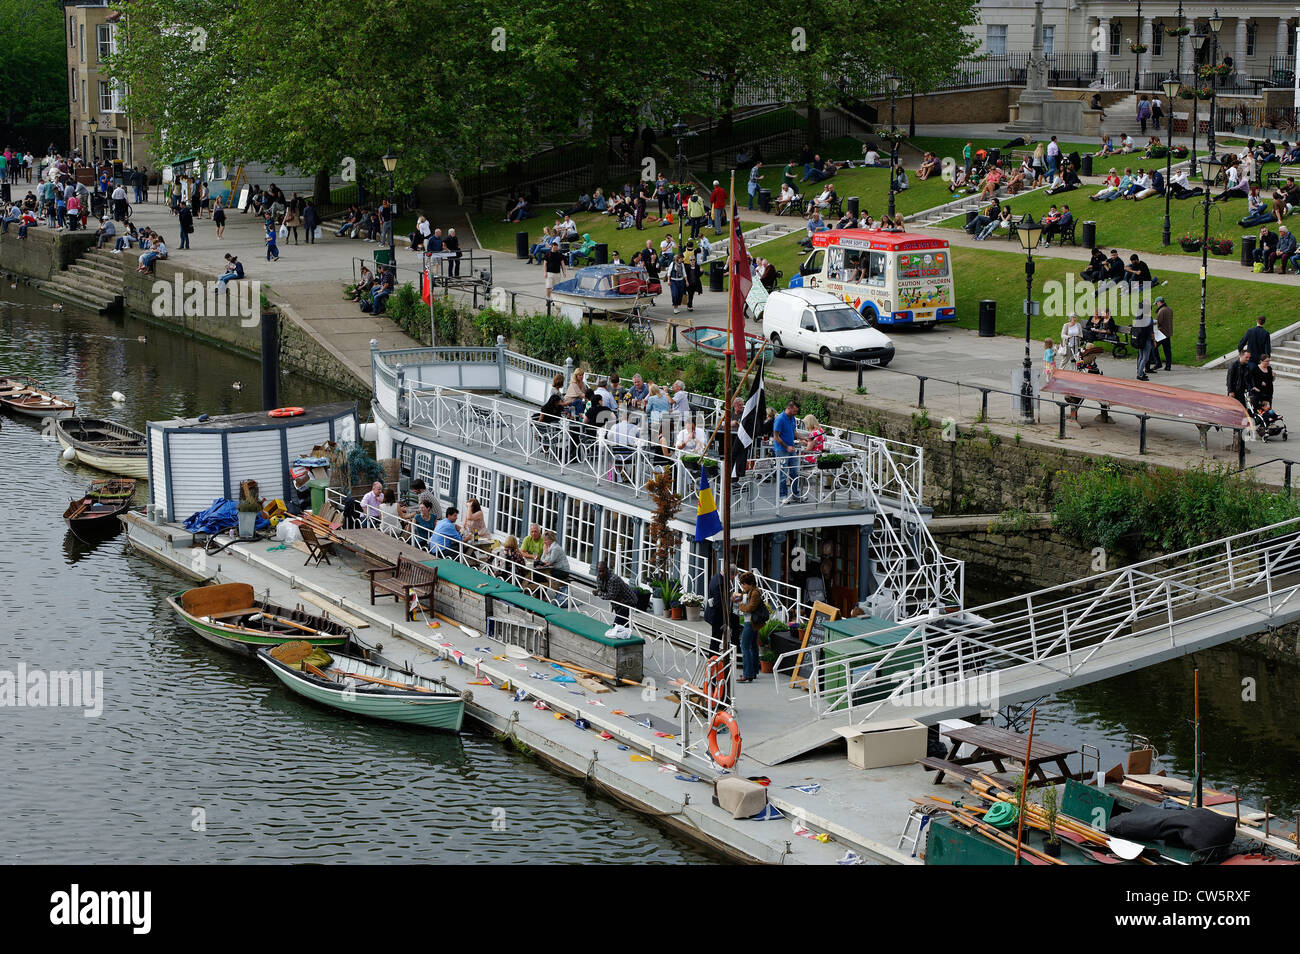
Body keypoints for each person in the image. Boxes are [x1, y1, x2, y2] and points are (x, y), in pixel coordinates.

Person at [595, 560, 641, 627]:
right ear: (597, 570)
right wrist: (600, 592)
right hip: (618, 603)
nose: (601, 573)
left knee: (616, 625)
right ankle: (626, 632)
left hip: (628, 602)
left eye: (603, 571)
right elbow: (600, 589)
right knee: (623, 624)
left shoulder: (613, 579)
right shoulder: (599, 578)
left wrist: (599, 593)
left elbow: (611, 596)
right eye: (599, 571)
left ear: (607, 570)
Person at [737, 572, 763, 683]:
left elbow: (750, 608)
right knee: (753, 646)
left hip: (750, 623)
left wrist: (741, 606)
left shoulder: (755, 593)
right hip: (752, 623)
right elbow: (743, 595)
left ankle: (747, 673)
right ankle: (754, 671)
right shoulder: (750, 591)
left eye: (744, 584)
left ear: (750, 584)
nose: (742, 586)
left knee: (744, 646)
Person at [773, 399, 800, 501]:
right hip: (781, 450)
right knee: (783, 474)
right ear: (789, 408)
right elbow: (776, 436)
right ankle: (782, 496)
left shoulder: (792, 418)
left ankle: (795, 494)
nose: (795, 413)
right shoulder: (780, 419)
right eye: (794, 411)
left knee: (794, 472)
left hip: (791, 448)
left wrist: (804, 437)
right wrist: (786, 446)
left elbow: (794, 432)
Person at [1131, 303, 1155, 381]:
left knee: (1141, 356)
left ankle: (1139, 371)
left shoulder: (1138, 317)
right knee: (1145, 357)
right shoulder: (1149, 318)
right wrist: (1154, 340)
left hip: (1139, 339)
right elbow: (1151, 332)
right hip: (1147, 340)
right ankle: (1140, 374)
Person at [1154, 296, 1173, 372]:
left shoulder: (1161, 311)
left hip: (1161, 333)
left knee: (1154, 347)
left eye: (1156, 303)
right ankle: (1168, 366)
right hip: (1168, 333)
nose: (1156, 305)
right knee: (1167, 350)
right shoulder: (1169, 309)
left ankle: (1158, 362)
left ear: (1159, 302)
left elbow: (1158, 323)